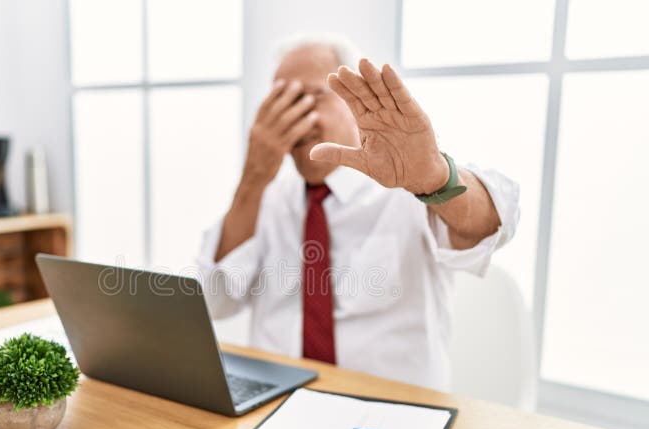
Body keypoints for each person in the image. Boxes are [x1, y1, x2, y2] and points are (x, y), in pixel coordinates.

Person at [196, 34, 519, 390]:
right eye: (279, 100)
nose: (291, 116)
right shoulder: (266, 199)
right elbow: (214, 299)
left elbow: (492, 225)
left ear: (354, 101)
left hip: (392, 415)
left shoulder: (414, 188)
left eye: (309, 96)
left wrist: (434, 177)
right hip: (274, 404)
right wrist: (253, 178)